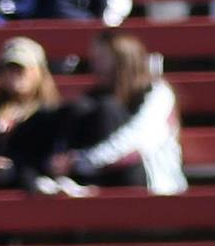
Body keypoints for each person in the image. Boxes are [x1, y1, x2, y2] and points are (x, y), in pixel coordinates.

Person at [51, 31, 185, 195]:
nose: (95, 65)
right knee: (80, 108)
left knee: (107, 109)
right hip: (100, 173)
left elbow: (135, 140)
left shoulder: (157, 93)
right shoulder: (93, 97)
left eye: (102, 58)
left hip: (150, 182)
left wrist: (81, 161)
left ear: (122, 59)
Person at [0, 38, 62, 192]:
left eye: (22, 68)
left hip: (31, 187)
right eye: (9, 68)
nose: (15, 74)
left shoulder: (53, 114)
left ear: (40, 71)